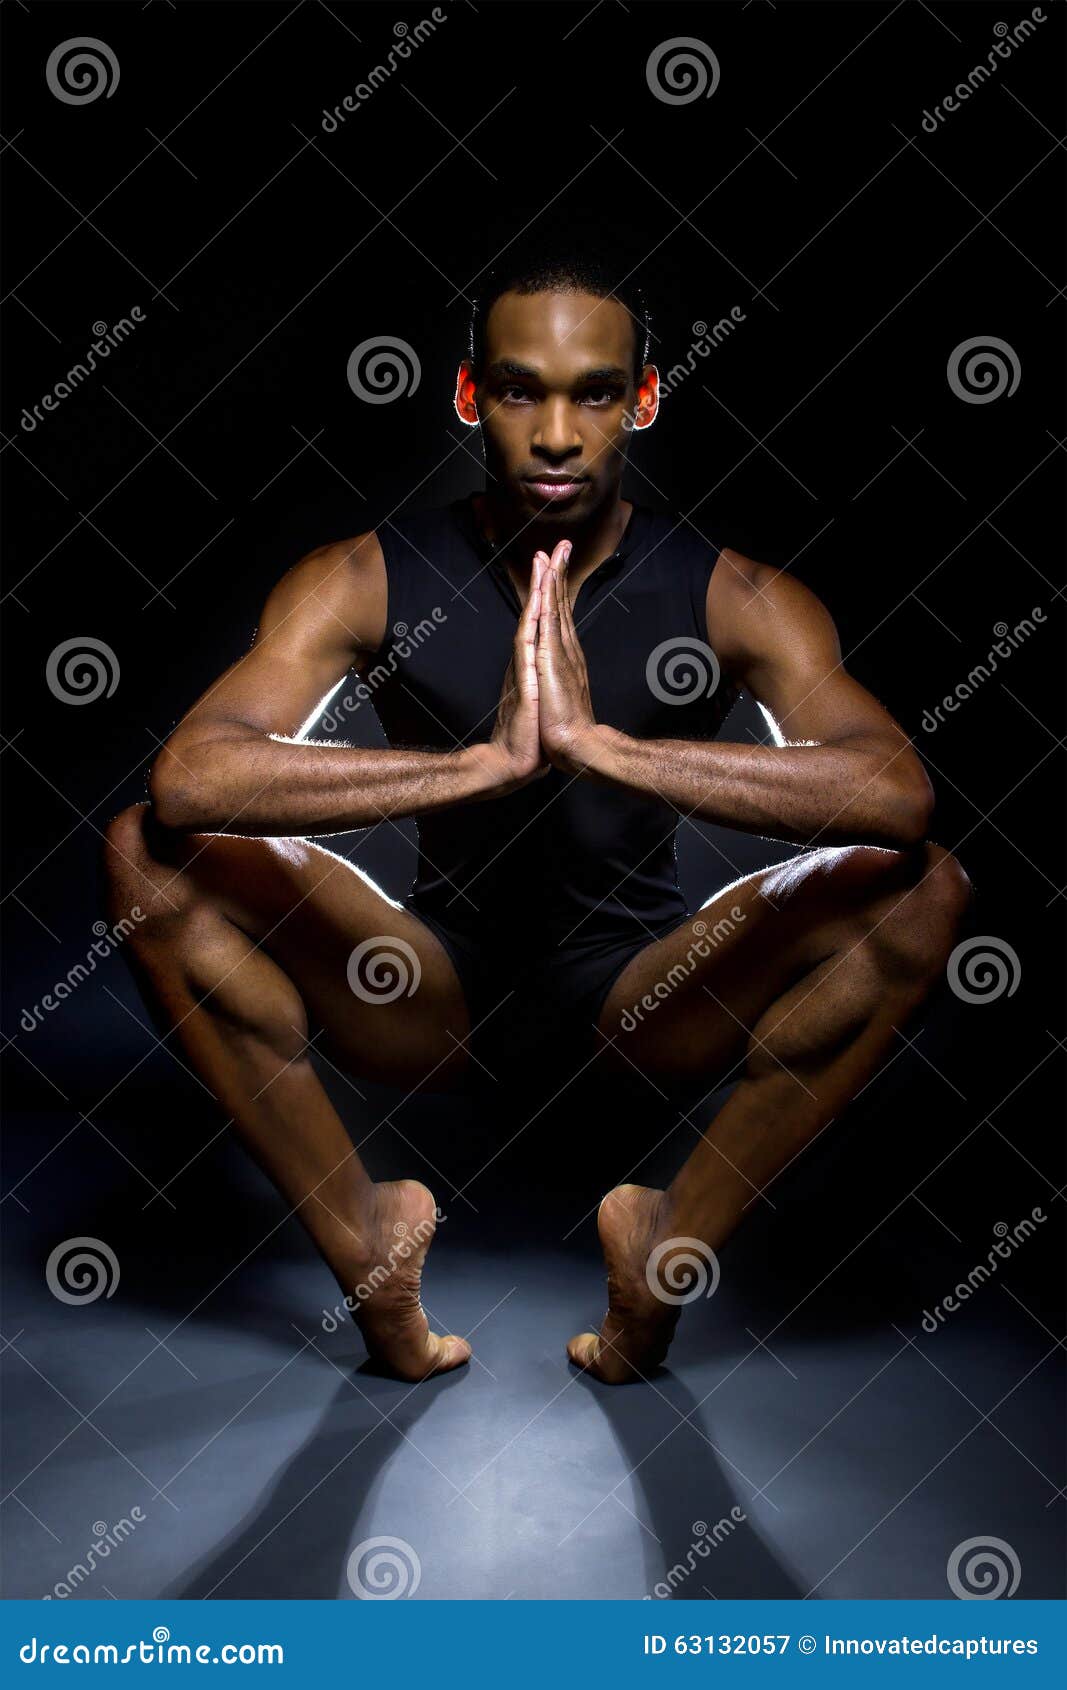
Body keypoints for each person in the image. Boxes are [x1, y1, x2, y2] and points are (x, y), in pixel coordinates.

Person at [103, 253, 971, 1384]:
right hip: (430, 991)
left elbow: (896, 796)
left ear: (643, 399)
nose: (556, 432)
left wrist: (611, 749)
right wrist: (483, 765)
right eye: (518, 389)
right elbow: (190, 780)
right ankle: (365, 1247)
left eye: (595, 393)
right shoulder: (365, 574)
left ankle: (665, 1255)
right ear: (470, 398)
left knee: (925, 889)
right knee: (144, 857)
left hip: (643, 998)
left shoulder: (731, 593)